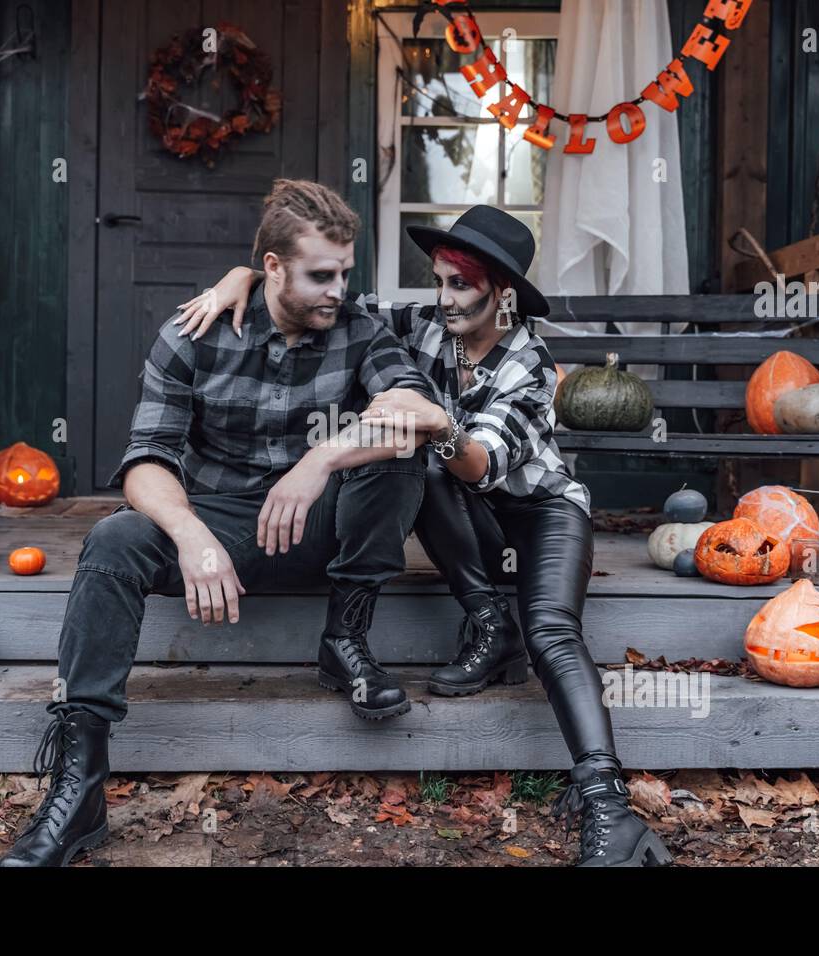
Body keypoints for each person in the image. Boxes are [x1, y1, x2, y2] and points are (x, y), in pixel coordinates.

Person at [178, 205, 673, 867]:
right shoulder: (426, 324)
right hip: (458, 510)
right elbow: (322, 291)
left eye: (459, 285)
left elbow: (484, 464)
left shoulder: (530, 365)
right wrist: (242, 275)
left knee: (552, 627)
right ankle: (490, 622)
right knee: (420, 459)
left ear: (501, 294)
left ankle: (607, 805)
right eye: (438, 280)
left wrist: (436, 420)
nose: (443, 298)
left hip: (541, 510)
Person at [0, 180, 439, 867]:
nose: (338, 288)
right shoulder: (193, 335)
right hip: (224, 531)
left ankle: (345, 641)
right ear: (271, 269)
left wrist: (324, 457)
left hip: (320, 529)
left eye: (346, 273)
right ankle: (79, 784)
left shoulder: (358, 330)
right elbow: (144, 462)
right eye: (321, 275)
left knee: (397, 458)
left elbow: (426, 414)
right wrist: (192, 535)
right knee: (115, 539)